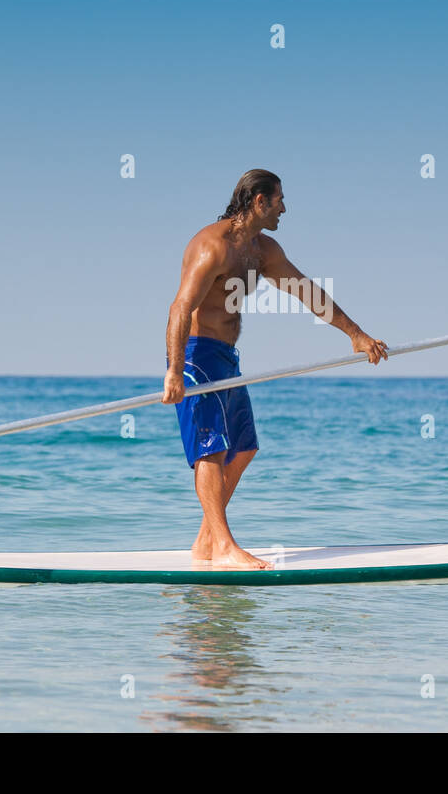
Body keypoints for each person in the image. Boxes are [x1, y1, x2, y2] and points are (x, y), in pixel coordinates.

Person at [162, 169, 387, 569]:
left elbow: (306, 291)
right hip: (197, 355)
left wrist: (355, 334)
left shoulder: (263, 251)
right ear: (259, 202)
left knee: (244, 448)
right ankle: (227, 547)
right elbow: (180, 307)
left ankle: (205, 542)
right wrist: (175, 371)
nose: (285, 207)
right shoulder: (211, 246)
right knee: (210, 451)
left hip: (228, 357)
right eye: (280, 199)